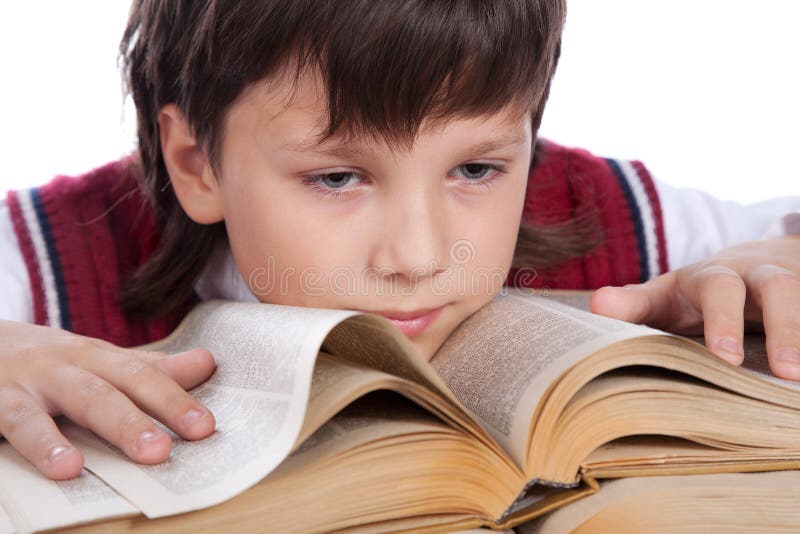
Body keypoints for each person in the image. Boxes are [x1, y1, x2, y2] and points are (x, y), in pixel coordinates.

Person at [0, 0, 798, 483]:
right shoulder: (47, 258)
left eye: (477, 169)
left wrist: (763, 263)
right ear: (196, 163)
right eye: (337, 178)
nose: (418, 257)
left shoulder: (612, 210)